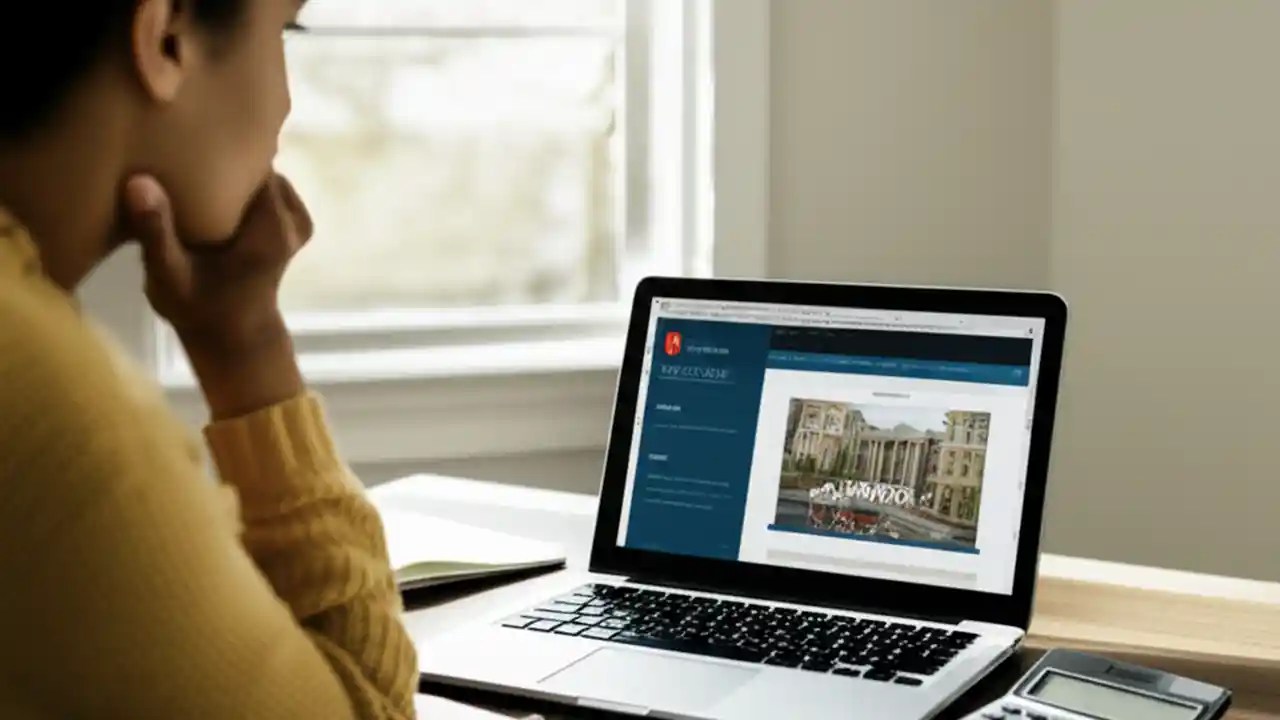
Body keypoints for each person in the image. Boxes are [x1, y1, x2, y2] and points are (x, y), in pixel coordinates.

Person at [0, 1, 418, 717]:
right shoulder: (48, 403)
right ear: (166, 38)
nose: (286, 105)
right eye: (285, 30)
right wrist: (248, 348)